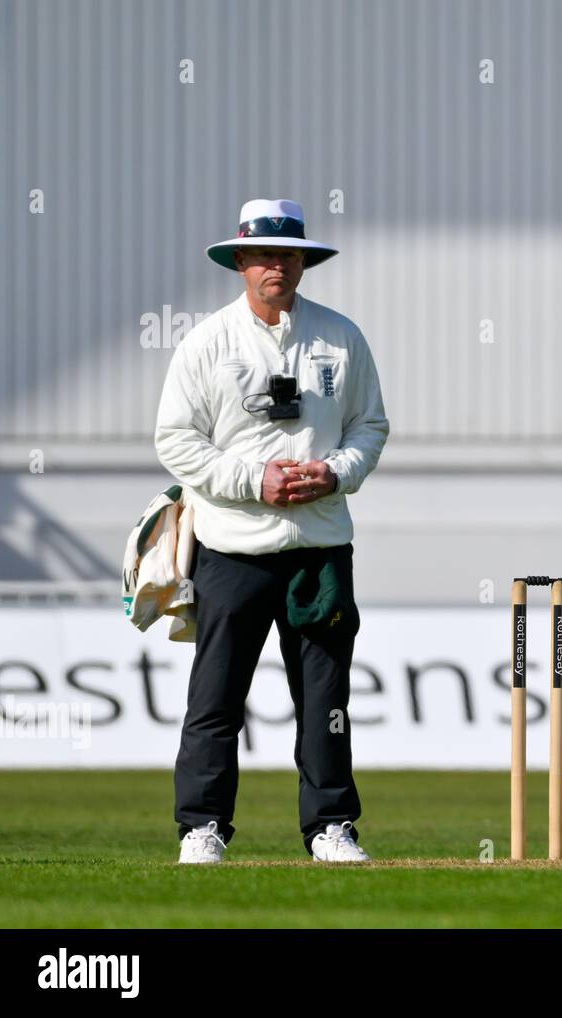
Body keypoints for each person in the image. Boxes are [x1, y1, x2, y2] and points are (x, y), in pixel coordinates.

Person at [156, 198, 389, 864]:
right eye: (261, 256)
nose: (275, 268)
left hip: (318, 547)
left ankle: (331, 827)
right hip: (232, 546)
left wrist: (336, 472)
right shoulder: (206, 342)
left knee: (325, 699)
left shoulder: (341, 337)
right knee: (217, 696)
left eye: (287, 255)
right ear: (239, 263)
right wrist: (253, 481)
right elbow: (175, 439)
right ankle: (201, 827)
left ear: (303, 262)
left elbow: (370, 426)